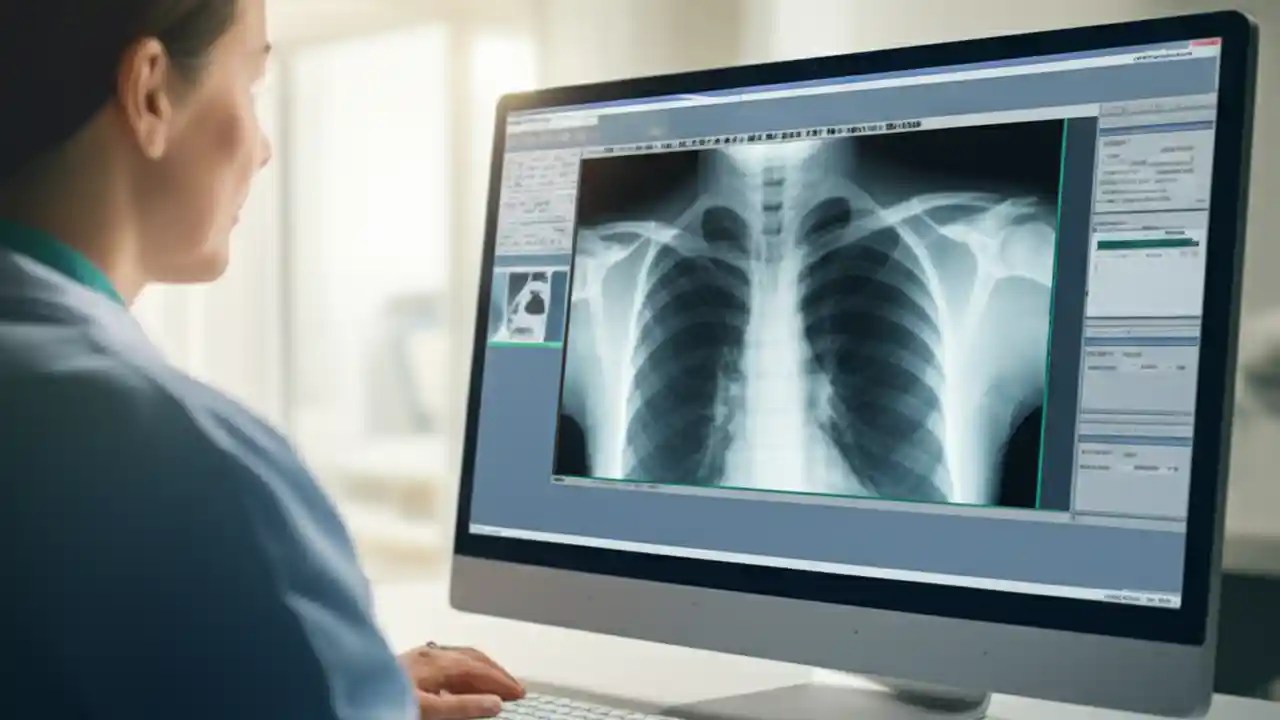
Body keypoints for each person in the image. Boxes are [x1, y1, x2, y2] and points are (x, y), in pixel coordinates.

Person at [0, 1, 524, 718]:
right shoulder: (190, 464)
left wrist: (327, 683)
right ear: (150, 91)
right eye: (249, 86)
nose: (263, 147)